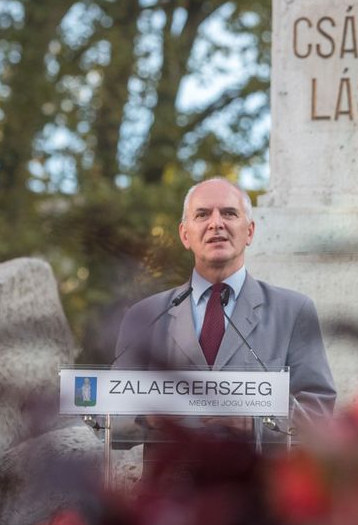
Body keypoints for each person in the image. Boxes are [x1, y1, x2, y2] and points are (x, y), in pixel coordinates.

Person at [112, 178, 336, 445]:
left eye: (229, 213)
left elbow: (319, 414)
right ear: (185, 234)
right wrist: (146, 418)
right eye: (202, 214)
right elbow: (109, 412)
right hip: (170, 483)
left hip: (256, 483)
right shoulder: (145, 316)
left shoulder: (293, 311)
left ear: (250, 232)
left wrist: (256, 424)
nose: (216, 223)